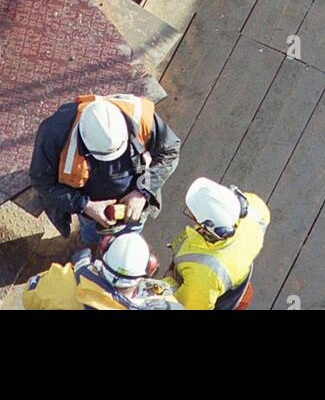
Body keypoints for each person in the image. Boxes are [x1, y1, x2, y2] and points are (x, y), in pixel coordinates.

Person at [29, 94, 181, 246]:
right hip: (91, 216)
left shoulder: (138, 116)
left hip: (136, 206)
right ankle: (90, 246)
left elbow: (170, 150)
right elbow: (42, 182)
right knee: (91, 241)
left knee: (129, 239)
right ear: (84, 138)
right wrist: (85, 205)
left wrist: (142, 191)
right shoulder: (54, 132)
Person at [166, 177, 270, 310]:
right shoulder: (255, 212)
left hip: (211, 297)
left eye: (193, 215)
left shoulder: (205, 272)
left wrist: (169, 282)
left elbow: (187, 307)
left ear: (208, 229)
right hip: (239, 290)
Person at [23, 231, 183, 310]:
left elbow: (28, 297)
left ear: (103, 251)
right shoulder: (166, 304)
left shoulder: (60, 281)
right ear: (150, 268)